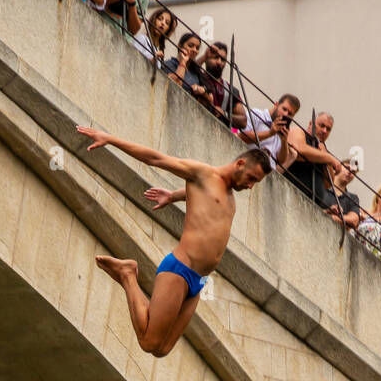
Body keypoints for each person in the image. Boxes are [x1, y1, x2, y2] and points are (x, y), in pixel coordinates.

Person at [77, 126, 271, 356]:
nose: (250, 186)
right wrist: (110, 139)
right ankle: (128, 274)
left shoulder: (229, 195)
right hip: (180, 269)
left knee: (162, 350)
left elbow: (204, 198)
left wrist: (173, 195)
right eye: (251, 179)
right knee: (149, 342)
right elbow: (155, 159)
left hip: (198, 281)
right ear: (240, 164)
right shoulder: (202, 173)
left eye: (254, 183)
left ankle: (130, 277)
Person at [285, 111, 343, 204]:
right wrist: (329, 158)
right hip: (290, 192)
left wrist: (325, 157)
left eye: (328, 129)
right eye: (322, 125)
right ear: (311, 123)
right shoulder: (299, 132)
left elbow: (328, 183)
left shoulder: (322, 150)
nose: (324, 131)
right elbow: (298, 150)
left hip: (312, 204)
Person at [239, 95, 299, 171]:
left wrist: (284, 141)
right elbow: (242, 137)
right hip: (248, 164)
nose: (285, 114)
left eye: (290, 114)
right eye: (284, 109)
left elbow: (281, 160)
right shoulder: (256, 114)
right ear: (276, 104)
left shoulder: (282, 129)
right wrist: (270, 133)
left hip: (267, 172)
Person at [195, 43, 247, 129]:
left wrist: (224, 114)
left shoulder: (231, 90)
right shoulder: (198, 76)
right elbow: (190, 68)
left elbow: (243, 121)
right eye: (215, 57)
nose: (219, 62)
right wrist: (204, 56)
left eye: (223, 59)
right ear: (207, 58)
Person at [163, 34, 213, 109]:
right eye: (190, 46)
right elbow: (176, 84)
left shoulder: (195, 72)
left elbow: (210, 101)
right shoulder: (169, 64)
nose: (194, 50)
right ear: (180, 46)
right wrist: (183, 61)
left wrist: (202, 91)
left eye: (197, 48)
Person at [324, 161, 360, 231]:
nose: (350, 172)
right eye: (347, 168)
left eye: (353, 172)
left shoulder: (353, 198)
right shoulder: (323, 187)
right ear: (338, 168)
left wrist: (332, 217)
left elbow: (354, 221)